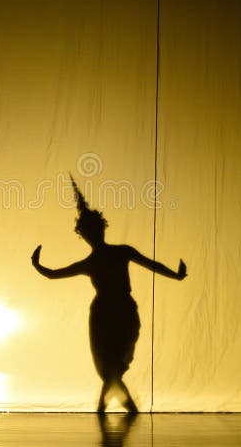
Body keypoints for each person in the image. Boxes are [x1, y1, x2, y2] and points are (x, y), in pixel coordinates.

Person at [31, 175, 186, 413]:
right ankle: (117, 411)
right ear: (85, 235)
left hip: (120, 312)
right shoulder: (94, 261)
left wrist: (175, 275)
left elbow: (151, 264)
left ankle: (112, 412)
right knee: (111, 369)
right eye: (88, 232)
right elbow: (54, 274)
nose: (92, 234)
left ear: (100, 229)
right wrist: (38, 265)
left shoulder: (119, 253)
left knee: (113, 368)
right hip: (105, 315)